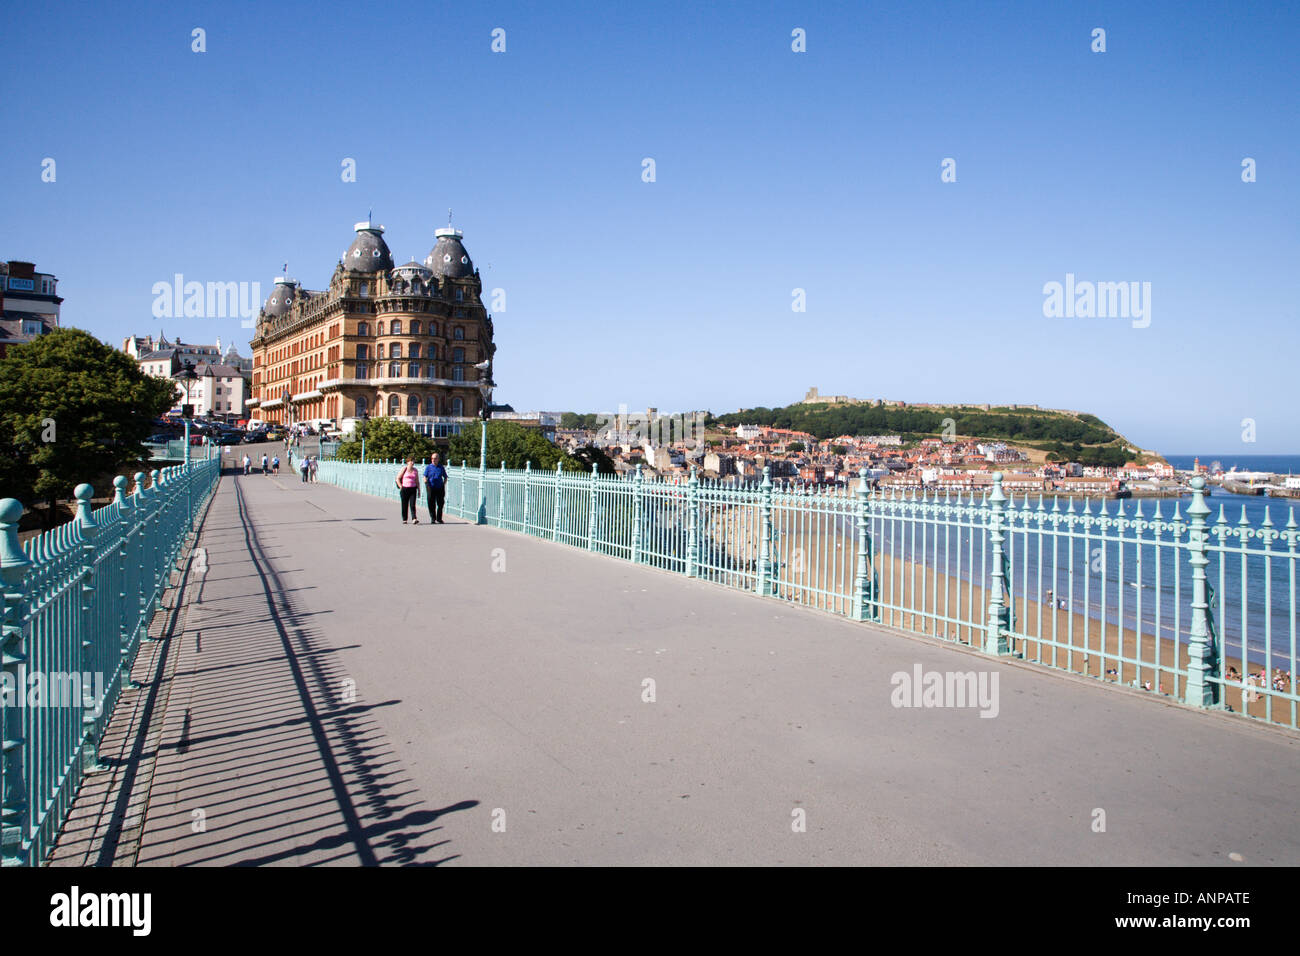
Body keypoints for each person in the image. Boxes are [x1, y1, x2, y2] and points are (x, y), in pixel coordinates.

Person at [423, 452, 448, 524]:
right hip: (431, 487)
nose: (433, 460)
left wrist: (443, 484)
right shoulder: (428, 467)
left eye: (435, 458)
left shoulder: (441, 467)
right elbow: (425, 476)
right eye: (432, 458)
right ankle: (433, 518)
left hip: (439, 487)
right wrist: (426, 482)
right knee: (431, 503)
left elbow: (445, 477)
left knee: (440, 503)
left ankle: (439, 518)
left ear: (438, 459)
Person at [396, 459, 421, 523]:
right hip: (404, 489)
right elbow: (398, 478)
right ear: (407, 462)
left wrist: (419, 490)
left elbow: (417, 481)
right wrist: (401, 486)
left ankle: (414, 518)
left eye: (413, 461)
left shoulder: (415, 470)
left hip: (413, 489)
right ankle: (404, 519)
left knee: (412, 504)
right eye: (411, 461)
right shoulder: (404, 469)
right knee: (404, 504)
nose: (412, 463)